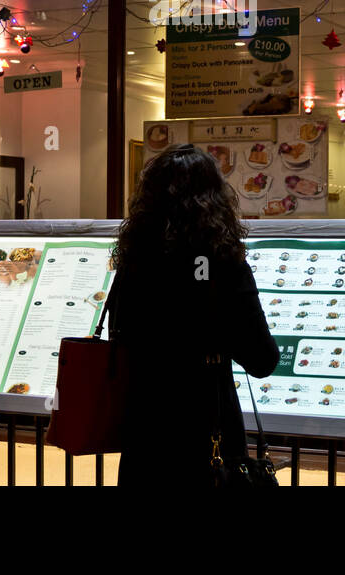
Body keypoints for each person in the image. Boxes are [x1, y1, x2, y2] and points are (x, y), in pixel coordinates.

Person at [107, 144, 278, 487]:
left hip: (146, 433)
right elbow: (262, 359)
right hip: (207, 433)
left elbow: (120, 336)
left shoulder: (134, 260)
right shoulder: (225, 264)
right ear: (215, 197)